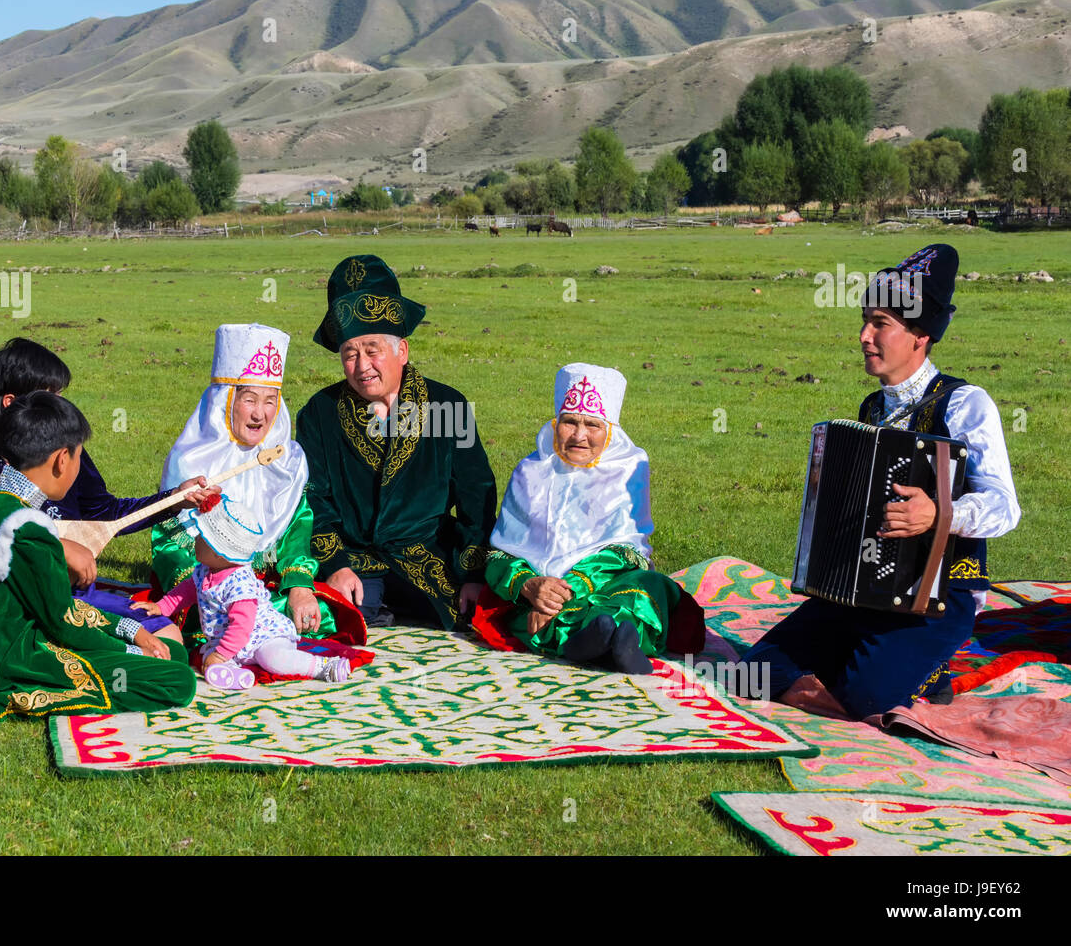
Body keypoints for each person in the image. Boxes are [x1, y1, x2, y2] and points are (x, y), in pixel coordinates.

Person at [741, 243, 1021, 720]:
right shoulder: (872, 409)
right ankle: (875, 680)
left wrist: (939, 514)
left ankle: (911, 677)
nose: (864, 336)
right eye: (865, 321)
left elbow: (1004, 507)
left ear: (920, 335)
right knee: (751, 673)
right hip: (863, 590)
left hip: (938, 594)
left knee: (865, 696)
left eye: (880, 324)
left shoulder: (964, 403)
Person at [0, 391, 196, 720]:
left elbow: (58, 609)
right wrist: (131, 646)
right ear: (62, 460)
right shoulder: (25, 528)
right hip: (16, 662)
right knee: (178, 679)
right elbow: (64, 623)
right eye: (79, 457)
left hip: (13, 644)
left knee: (174, 654)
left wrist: (133, 631)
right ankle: (23, 696)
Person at [295, 255, 498, 629]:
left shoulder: (446, 405)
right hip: (352, 556)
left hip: (428, 553)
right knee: (336, 621)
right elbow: (311, 499)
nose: (362, 366)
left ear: (401, 351)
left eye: (373, 350)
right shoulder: (319, 414)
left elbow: (476, 492)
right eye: (350, 354)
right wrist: (335, 566)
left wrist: (475, 574)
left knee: (481, 618)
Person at [0, 338, 207, 632]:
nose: (62, 407)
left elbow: (105, 513)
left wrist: (174, 500)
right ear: (10, 404)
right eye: (51, 398)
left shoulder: (68, 451)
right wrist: (58, 546)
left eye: (62, 397)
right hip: (17, 608)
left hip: (73, 595)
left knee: (167, 634)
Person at [153, 324, 363, 646]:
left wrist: (299, 587)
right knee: (207, 620)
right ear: (226, 401)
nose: (260, 414)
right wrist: (218, 588)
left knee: (320, 610)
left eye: (270, 401)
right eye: (249, 400)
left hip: (264, 586)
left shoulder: (285, 461)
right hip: (205, 589)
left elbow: (297, 531)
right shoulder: (189, 463)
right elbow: (170, 547)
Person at [483, 363, 694, 673]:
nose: (579, 436)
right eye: (570, 422)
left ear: (609, 431)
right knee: (520, 612)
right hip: (539, 594)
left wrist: (569, 590)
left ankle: (615, 641)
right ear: (556, 424)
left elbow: (626, 553)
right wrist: (530, 586)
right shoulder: (530, 472)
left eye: (592, 425)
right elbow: (500, 553)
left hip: (605, 583)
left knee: (648, 586)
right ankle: (594, 642)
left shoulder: (627, 470)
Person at [135, 495, 352, 689]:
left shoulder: (240, 585)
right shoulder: (205, 570)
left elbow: (242, 626)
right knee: (206, 657)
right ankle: (235, 674)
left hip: (264, 636)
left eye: (201, 538)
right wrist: (160, 607)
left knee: (272, 659)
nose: (195, 541)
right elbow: (185, 592)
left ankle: (321, 666)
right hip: (231, 641)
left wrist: (221, 654)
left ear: (219, 553)